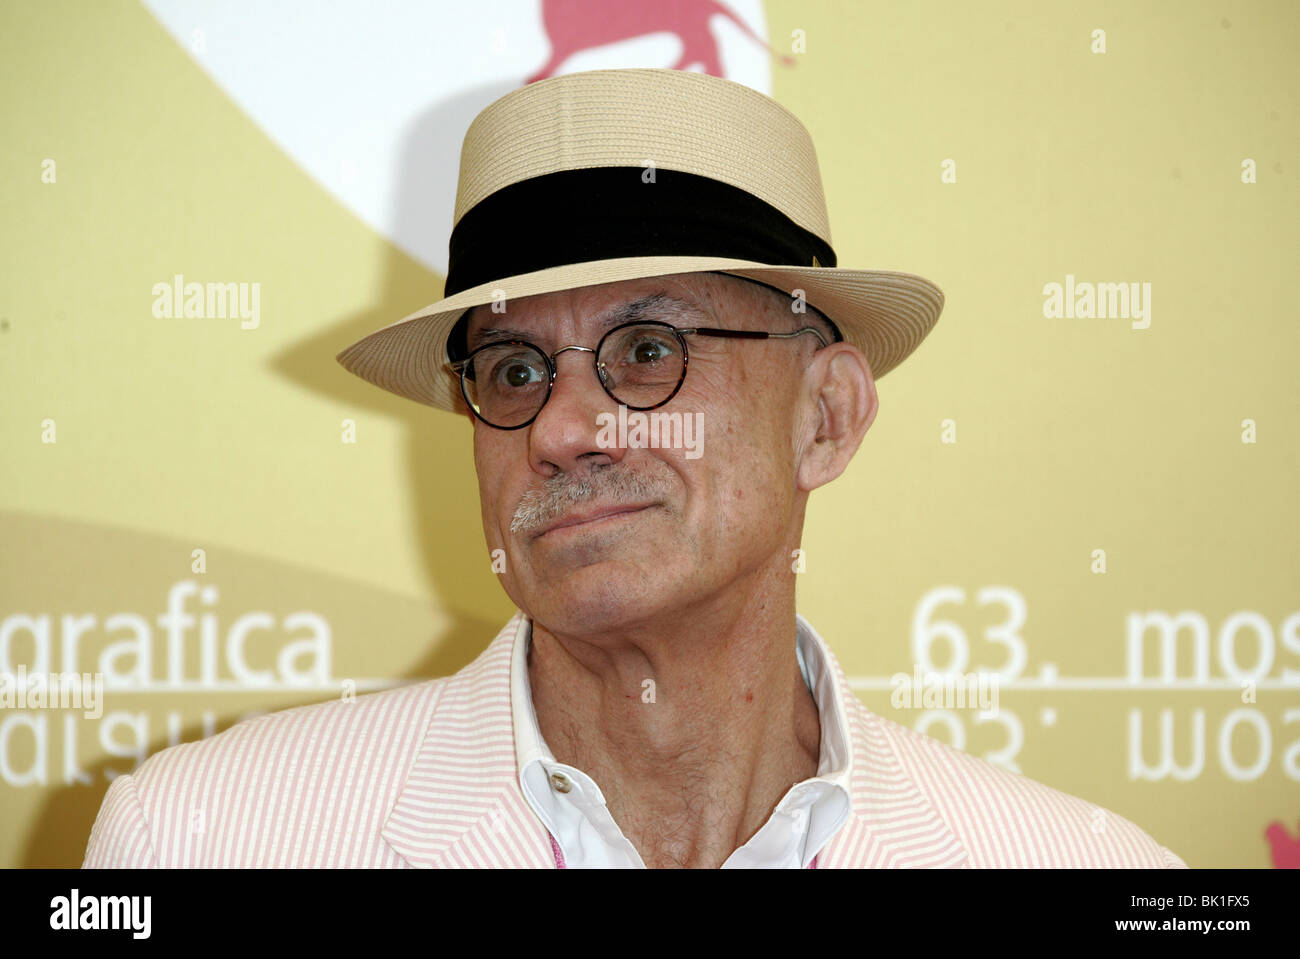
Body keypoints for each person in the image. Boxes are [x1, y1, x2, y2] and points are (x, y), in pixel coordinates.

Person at [83, 67, 1186, 868]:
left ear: (827, 416)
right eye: (512, 369)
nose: (562, 429)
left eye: (648, 350)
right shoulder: (201, 839)